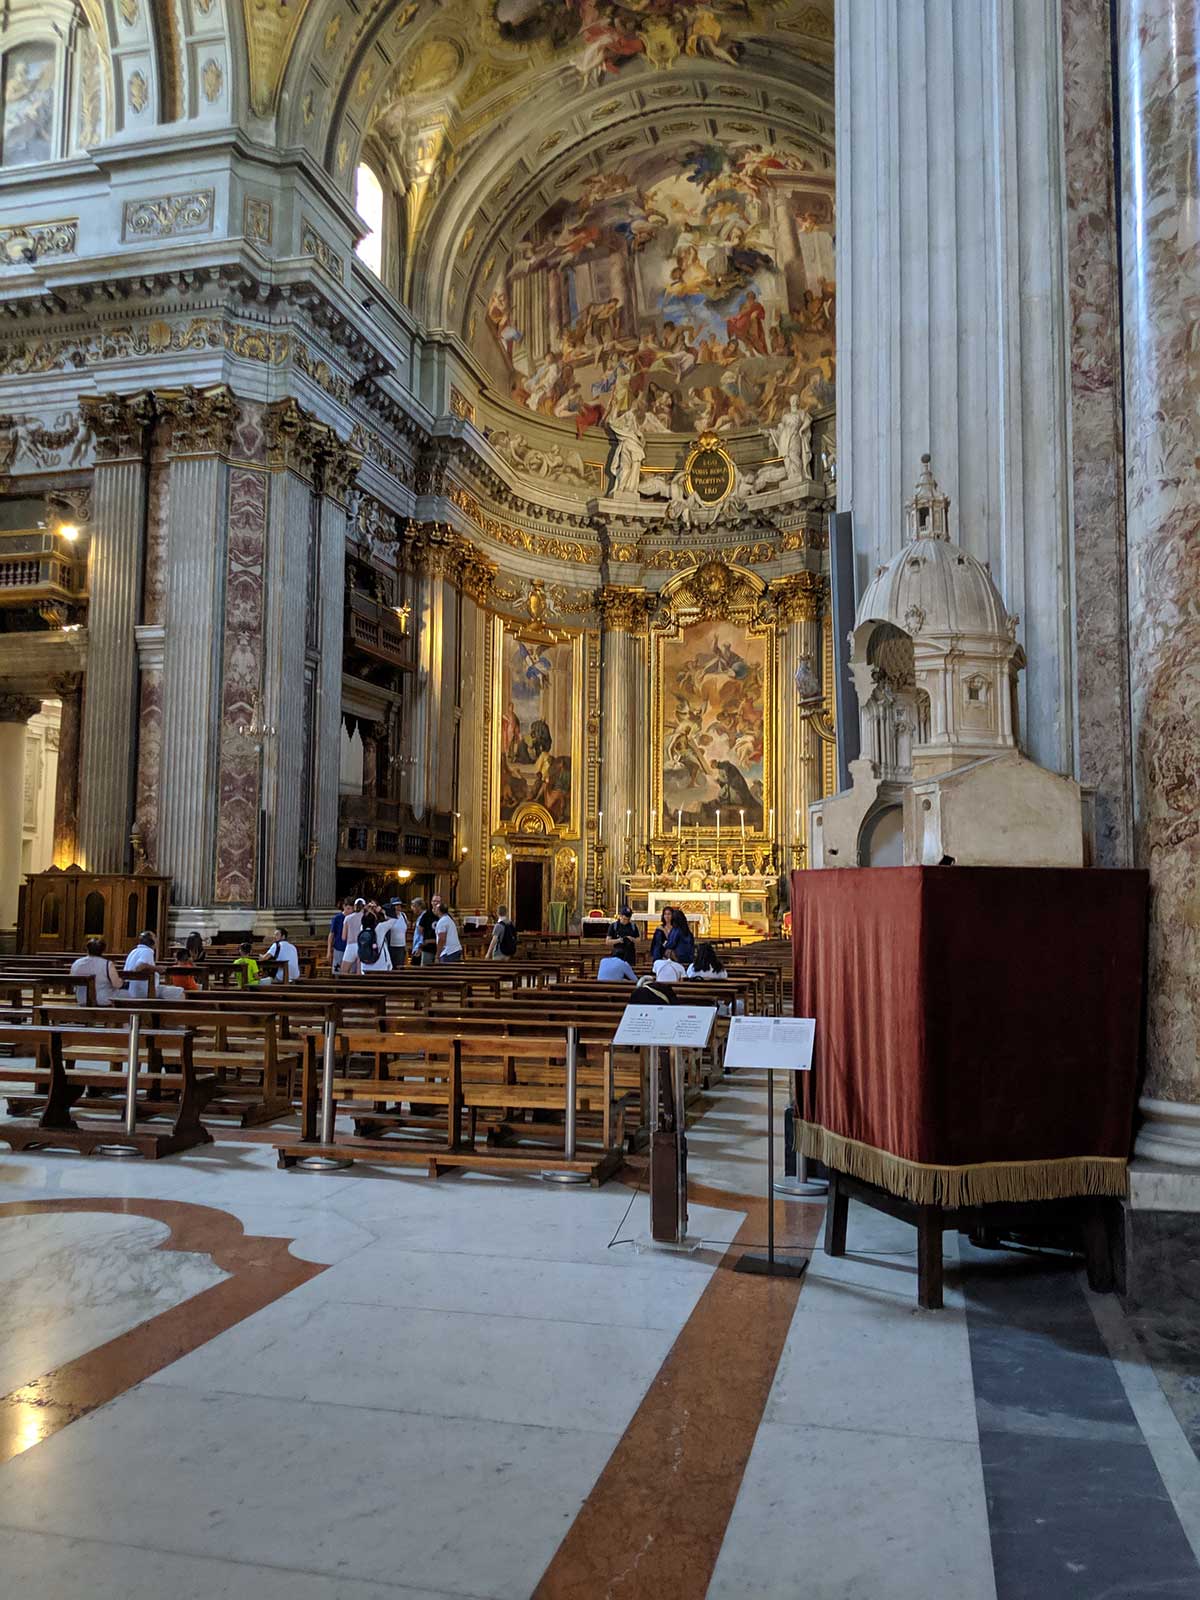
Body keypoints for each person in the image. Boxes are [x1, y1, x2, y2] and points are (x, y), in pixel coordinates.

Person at [123, 930, 185, 1001]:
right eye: (155, 938)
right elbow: (139, 966)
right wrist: (157, 968)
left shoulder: (134, 951)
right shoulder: (147, 951)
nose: (157, 940)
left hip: (132, 990)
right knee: (180, 992)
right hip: (146, 991)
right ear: (151, 941)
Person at [70, 937, 121, 1006]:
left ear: (87, 949)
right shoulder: (107, 964)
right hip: (102, 1000)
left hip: (82, 999)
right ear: (103, 950)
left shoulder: (77, 963)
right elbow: (117, 984)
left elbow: (73, 983)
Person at [340, 898, 366, 975]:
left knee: (344, 971)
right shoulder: (366, 917)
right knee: (359, 972)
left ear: (355, 906)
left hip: (351, 946)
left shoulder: (348, 918)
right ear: (364, 906)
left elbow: (343, 937)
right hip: (362, 945)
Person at [327, 897, 353, 973]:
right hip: (339, 947)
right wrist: (329, 950)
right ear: (344, 906)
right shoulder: (337, 918)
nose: (350, 911)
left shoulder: (353, 918)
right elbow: (331, 934)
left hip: (350, 948)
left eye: (352, 909)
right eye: (348, 908)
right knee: (337, 971)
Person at [412, 898, 437, 966]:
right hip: (419, 946)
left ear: (419, 907)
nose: (412, 909)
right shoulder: (421, 916)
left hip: (421, 947)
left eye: (414, 906)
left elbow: (422, 934)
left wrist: (419, 947)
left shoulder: (425, 916)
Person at [386, 900, 408, 968]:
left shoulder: (403, 915)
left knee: (400, 966)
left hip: (401, 946)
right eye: (396, 905)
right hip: (391, 946)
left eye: (399, 905)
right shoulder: (388, 917)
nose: (398, 907)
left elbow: (405, 931)